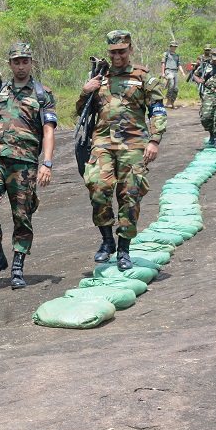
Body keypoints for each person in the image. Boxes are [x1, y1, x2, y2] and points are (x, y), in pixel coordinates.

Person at [77, 30, 166, 268]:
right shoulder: (99, 76)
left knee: (130, 195)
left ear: (130, 49)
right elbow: (81, 112)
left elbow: (157, 110)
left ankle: (124, 249)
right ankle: (107, 240)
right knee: (97, 186)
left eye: (121, 52)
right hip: (103, 142)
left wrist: (154, 140)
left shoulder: (143, 76)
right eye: (113, 52)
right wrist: (86, 91)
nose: (117, 57)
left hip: (134, 144)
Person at [0, 42, 57, 289]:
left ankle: (18, 265)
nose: (21, 66)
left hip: (25, 163)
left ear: (31, 63)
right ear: (10, 64)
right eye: (16, 62)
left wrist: (46, 163)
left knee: (22, 214)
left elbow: (48, 130)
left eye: (25, 61)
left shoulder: (42, 94)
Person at [160, 41, 186, 109]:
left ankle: (172, 102)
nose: (173, 48)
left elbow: (179, 64)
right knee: (171, 85)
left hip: (175, 71)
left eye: (175, 46)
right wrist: (163, 73)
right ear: (170, 46)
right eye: (172, 46)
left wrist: (182, 72)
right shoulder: (166, 54)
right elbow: (163, 63)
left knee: (176, 88)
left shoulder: (177, 55)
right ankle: (168, 101)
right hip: (168, 71)